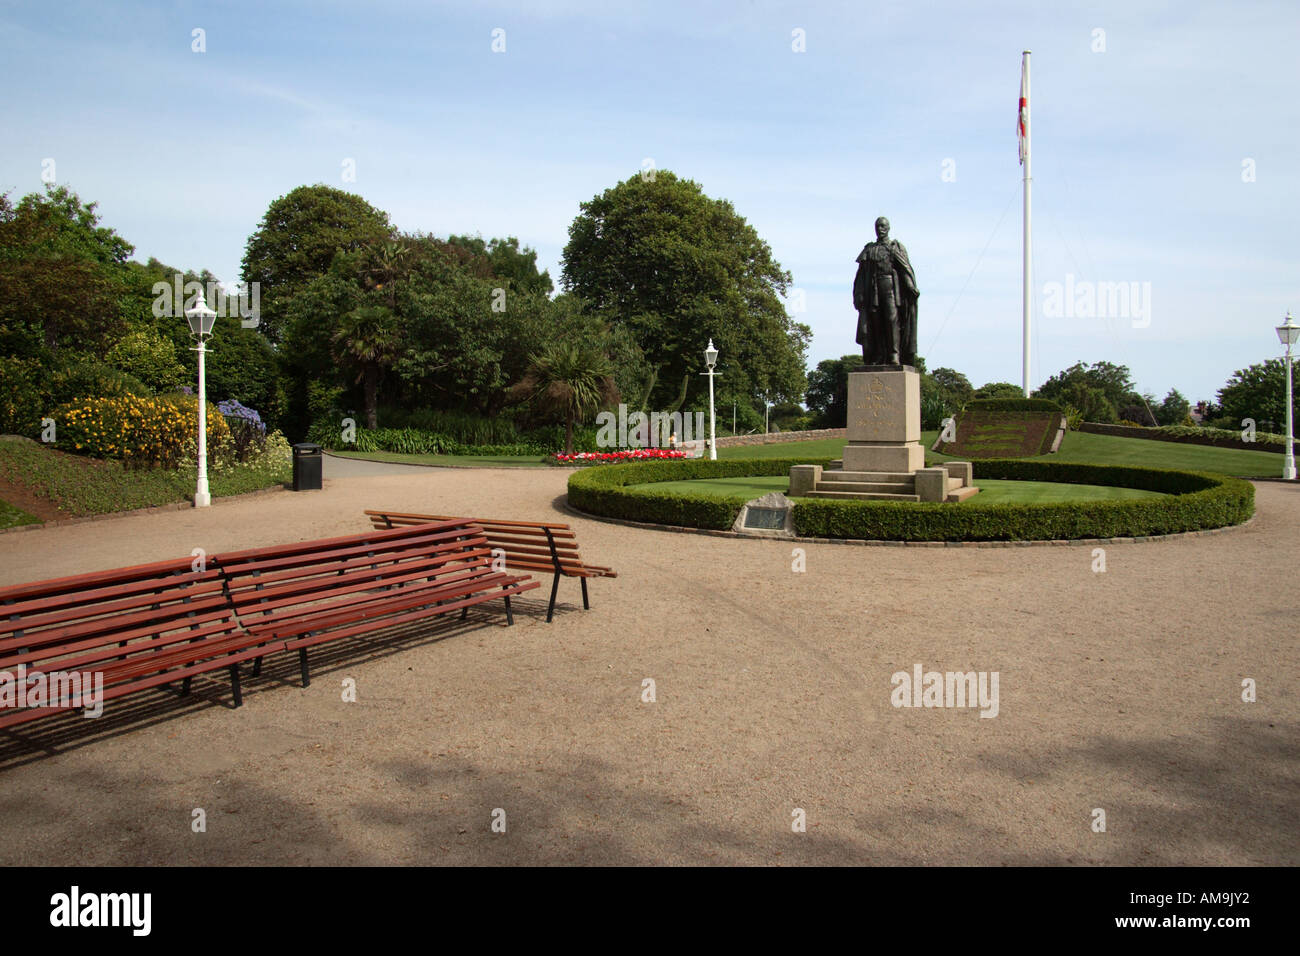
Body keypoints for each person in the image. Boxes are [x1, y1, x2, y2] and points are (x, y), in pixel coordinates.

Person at [852, 217, 919, 366]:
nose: (880, 229)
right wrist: (859, 293)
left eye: (883, 226)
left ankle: (894, 354)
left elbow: (904, 269)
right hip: (873, 290)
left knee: (891, 320)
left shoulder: (895, 247)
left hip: (890, 287)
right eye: (877, 226)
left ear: (888, 228)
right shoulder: (869, 249)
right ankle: (879, 354)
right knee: (875, 322)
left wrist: (909, 285)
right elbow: (861, 274)